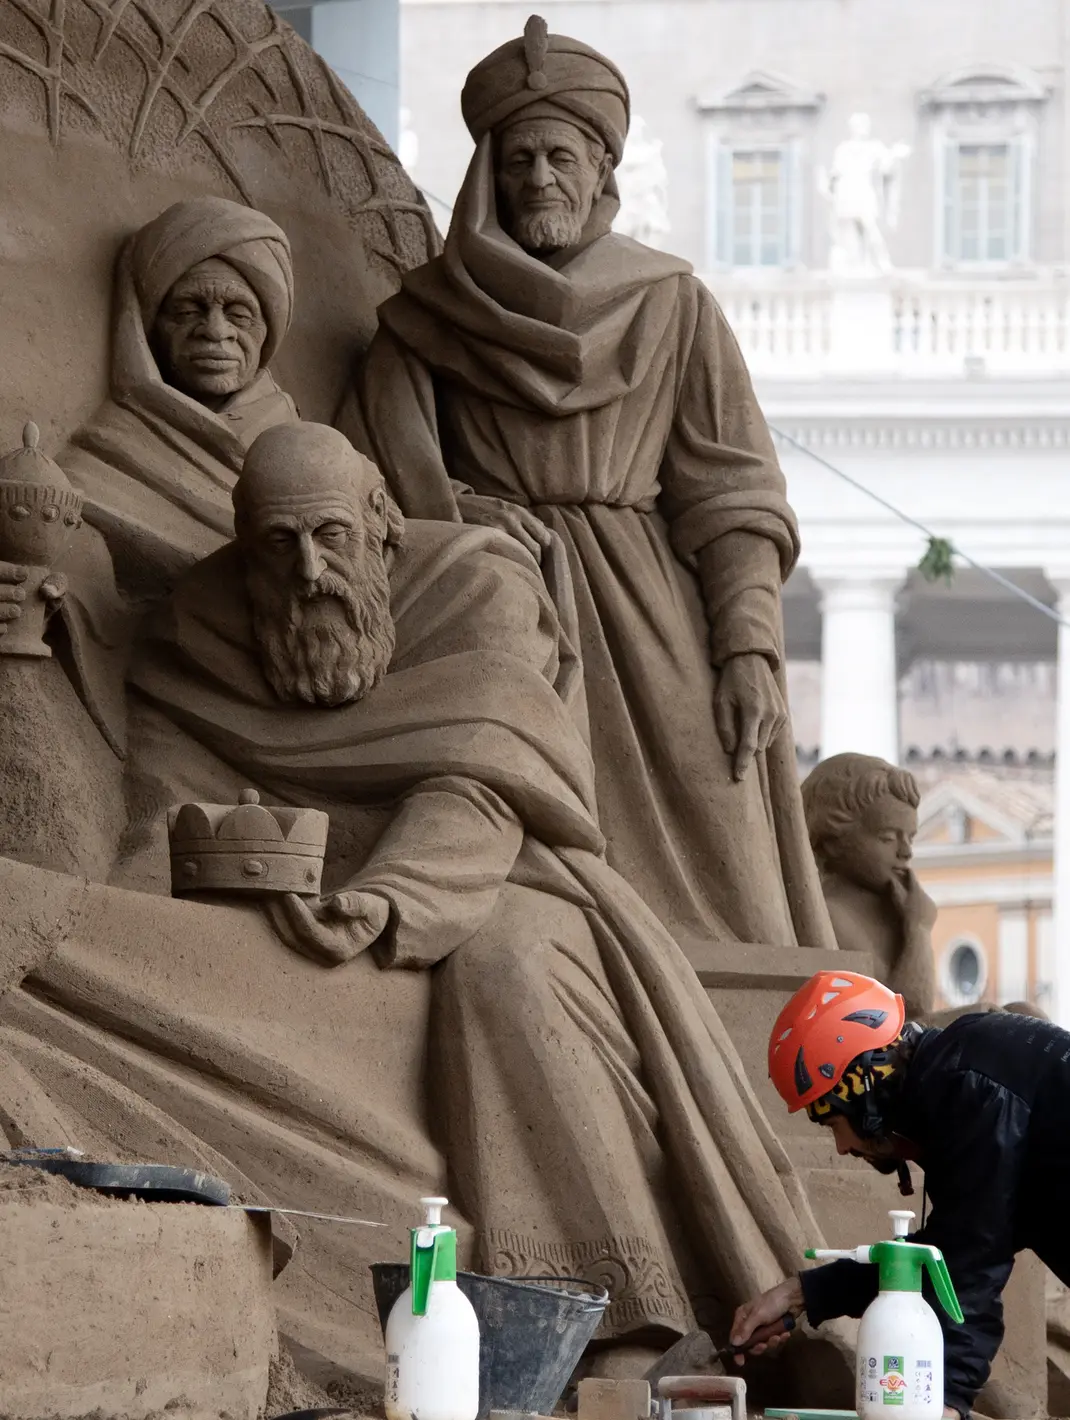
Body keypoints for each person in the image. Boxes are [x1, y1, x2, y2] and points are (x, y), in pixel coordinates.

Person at [2, 423, 828, 1380]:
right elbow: (162, 799)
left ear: (383, 526)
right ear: (242, 546)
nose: (308, 570)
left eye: (330, 537)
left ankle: (611, 1319)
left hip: (495, 877)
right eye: (277, 544)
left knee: (509, 961)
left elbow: (484, 780)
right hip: (286, 894)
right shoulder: (203, 623)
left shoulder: (478, 585)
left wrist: (386, 899)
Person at [337, 15, 834, 955]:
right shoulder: (424, 322)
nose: (539, 181)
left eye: (560, 156)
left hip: (653, 619)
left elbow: (732, 492)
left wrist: (750, 649)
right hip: (503, 605)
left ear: (602, 170)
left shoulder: (673, 305)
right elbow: (366, 484)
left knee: (718, 825)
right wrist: (457, 512)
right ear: (489, 169)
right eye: (518, 159)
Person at [730, 969, 1070, 1419]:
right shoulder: (961, 1071)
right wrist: (802, 1294)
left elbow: (968, 1272)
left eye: (834, 1124)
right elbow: (945, 1258)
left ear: (863, 1089)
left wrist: (945, 1401)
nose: (842, 1147)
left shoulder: (970, 1086)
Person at [59, 195, 298, 600]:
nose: (215, 331)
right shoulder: (92, 472)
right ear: (151, 327)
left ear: (268, 329)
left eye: (239, 314)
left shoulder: (317, 455)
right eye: (188, 310)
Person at [802, 754, 936, 1018]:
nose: (906, 852)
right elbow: (903, 1013)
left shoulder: (896, 909)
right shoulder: (829, 915)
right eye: (888, 837)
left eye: (910, 838)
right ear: (832, 840)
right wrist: (918, 929)